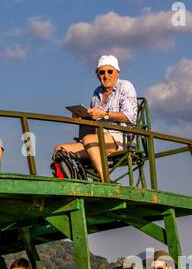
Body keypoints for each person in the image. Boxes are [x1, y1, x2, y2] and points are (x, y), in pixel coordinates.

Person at [53, 54, 138, 182]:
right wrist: (82, 118)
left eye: (110, 71)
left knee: (88, 140)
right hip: (96, 139)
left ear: (117, 73)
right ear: (97, 75)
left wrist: (105, 114)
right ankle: (76, 184)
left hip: (121, 138)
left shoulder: (125, 86)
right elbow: (95, 120)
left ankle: (106, 183)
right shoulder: (96, 92)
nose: (106, 75)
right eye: (102, 72)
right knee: (60, 150)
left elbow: (130, 117)